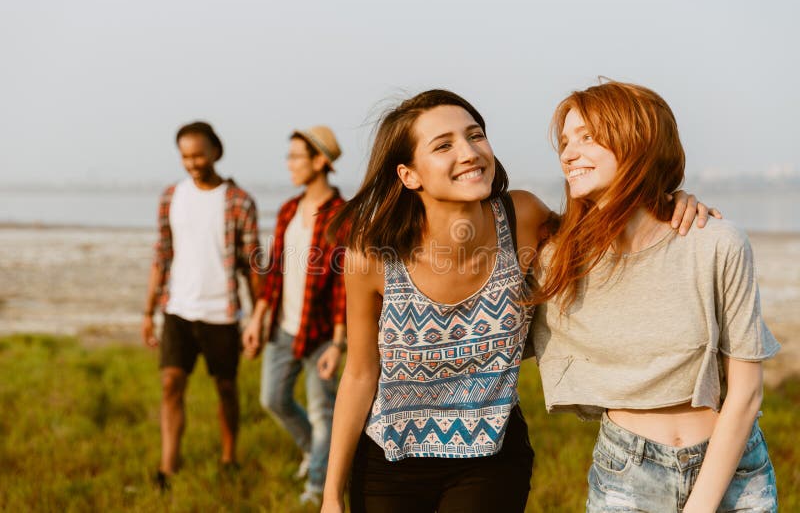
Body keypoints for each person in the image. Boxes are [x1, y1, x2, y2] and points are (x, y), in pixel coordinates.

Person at [320, 89, 710, 513]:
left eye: (475, 135)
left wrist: (666, 200)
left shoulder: (521, 217)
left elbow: (603, 236)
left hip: (491, 459)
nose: (469, 152)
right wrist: (331, 495)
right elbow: (360, 374)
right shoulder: (373, 256)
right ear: (409, 175)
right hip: (388, 461)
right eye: (444, 145)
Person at [532, 81, 780, 512]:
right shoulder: (559, 260)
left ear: (638, 141)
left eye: (587, 137)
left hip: (735, 471)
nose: (568, 153)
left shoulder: (716, 242)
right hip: (626, 473)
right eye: (566, 142)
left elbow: (746, 394)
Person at [141, 121, 261, 489]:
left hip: (222, 313)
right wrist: (148, 312)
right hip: (177, 309)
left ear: (216, 152)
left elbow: (251, 265)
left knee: (225, 387)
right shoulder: (171, 196)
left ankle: (229, 458)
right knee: (170, 384)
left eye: (198, 155)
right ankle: (167, 468)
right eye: (185, 156)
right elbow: (161, 255)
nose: (192, 162)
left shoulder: (239, 201)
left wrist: (257, 317)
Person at [241, 125, 347, 506]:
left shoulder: (342, 215)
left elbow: (344, 285)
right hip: (283, 328)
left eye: (295, 157)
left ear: (319, 161)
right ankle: (313, 452)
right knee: (273, 399)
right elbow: (274, 271)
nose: (289, 164)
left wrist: (338, 343)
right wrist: (257, 318)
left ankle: (318, 486)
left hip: (321, 334)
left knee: (323, 413)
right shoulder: (289, 209)